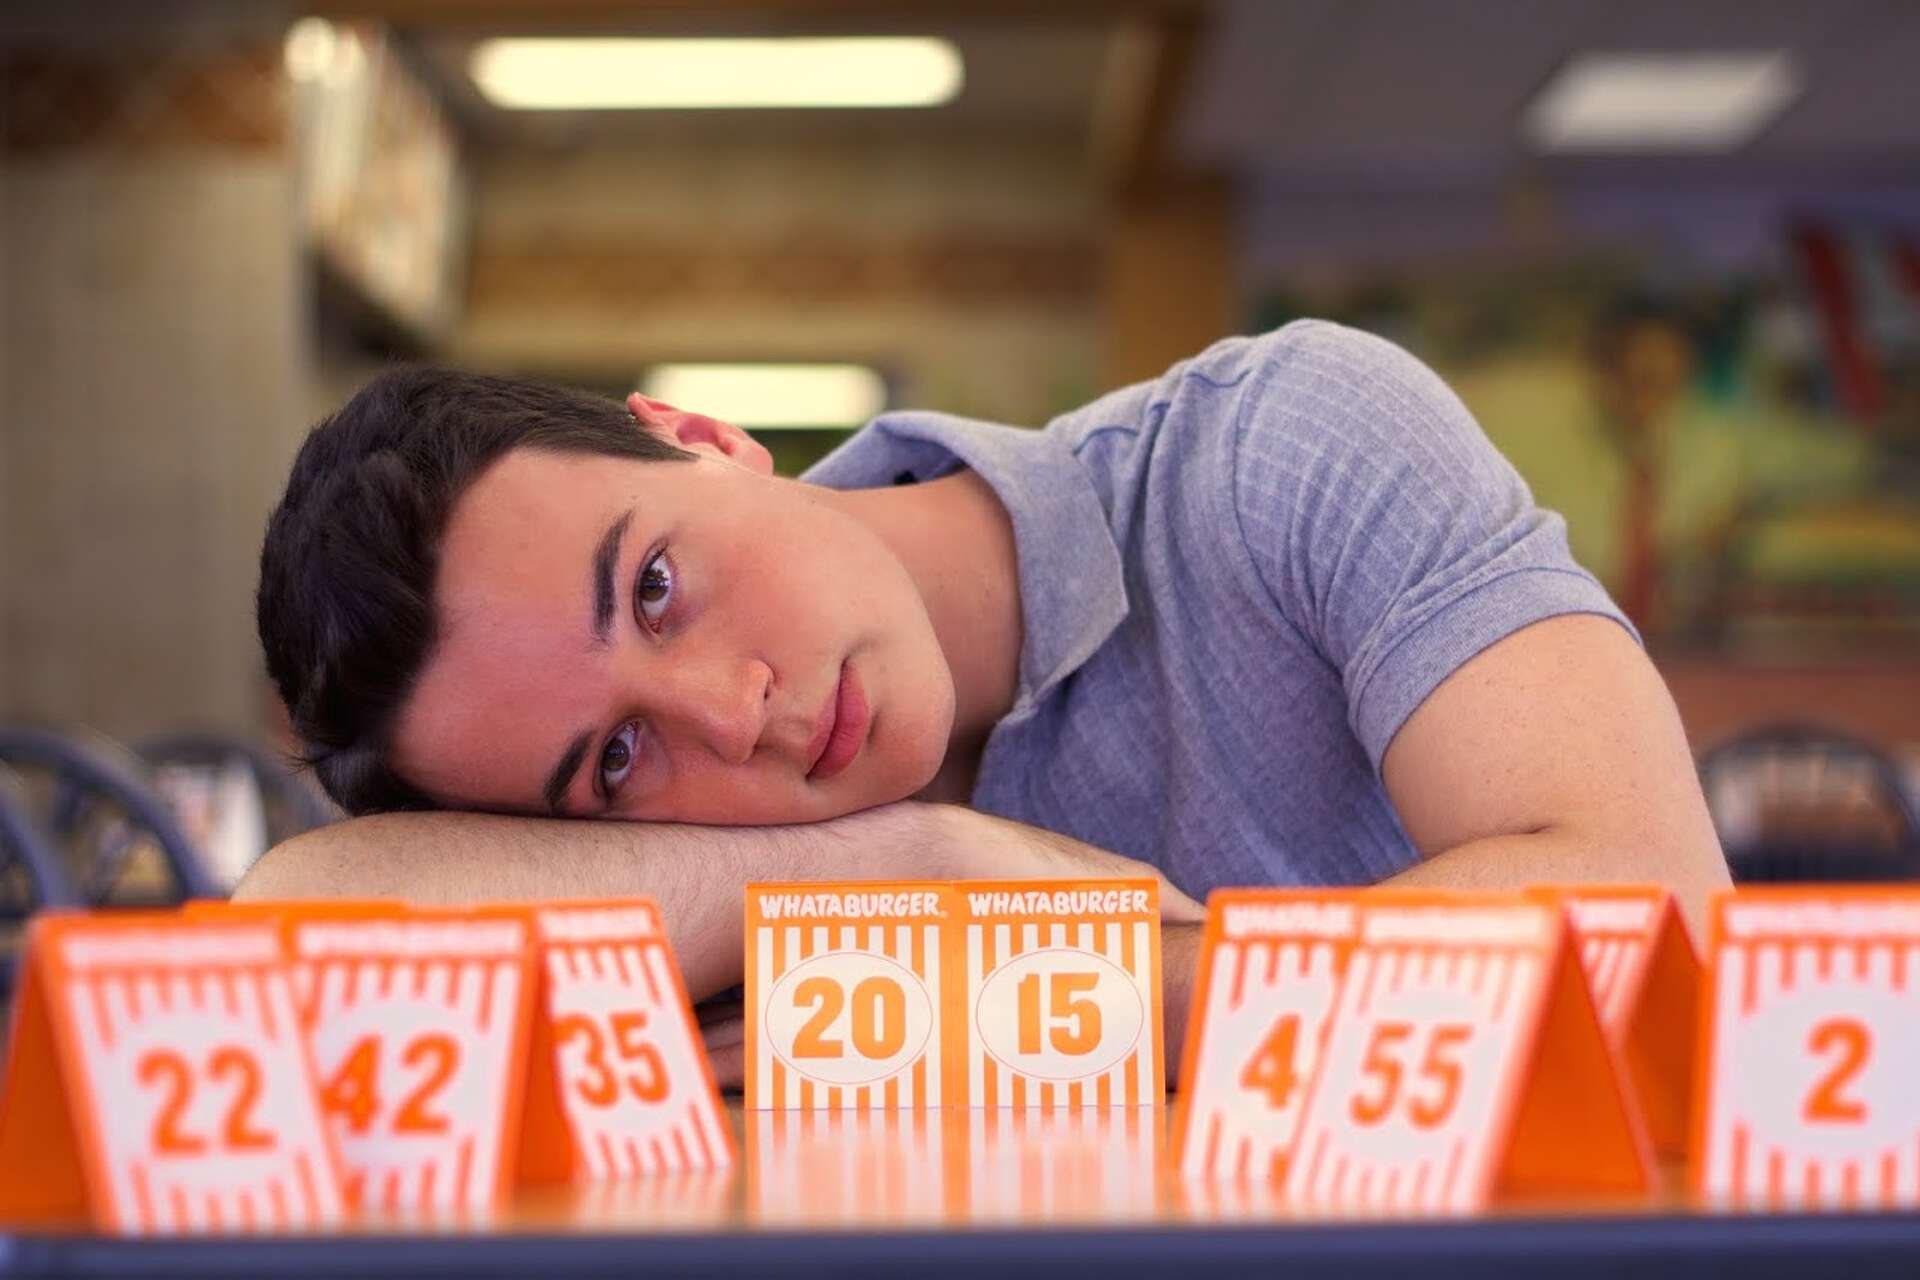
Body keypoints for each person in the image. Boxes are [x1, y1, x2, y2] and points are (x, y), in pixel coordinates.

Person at [241, 320, 1730, 1082]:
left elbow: (1668, 928)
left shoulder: (1284, 447)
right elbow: (291, 935)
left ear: (699, 435)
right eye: (617, 758)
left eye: (653, 590)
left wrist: (1063, 974)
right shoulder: (752, 832)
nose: (729, 713)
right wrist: (895, 863)